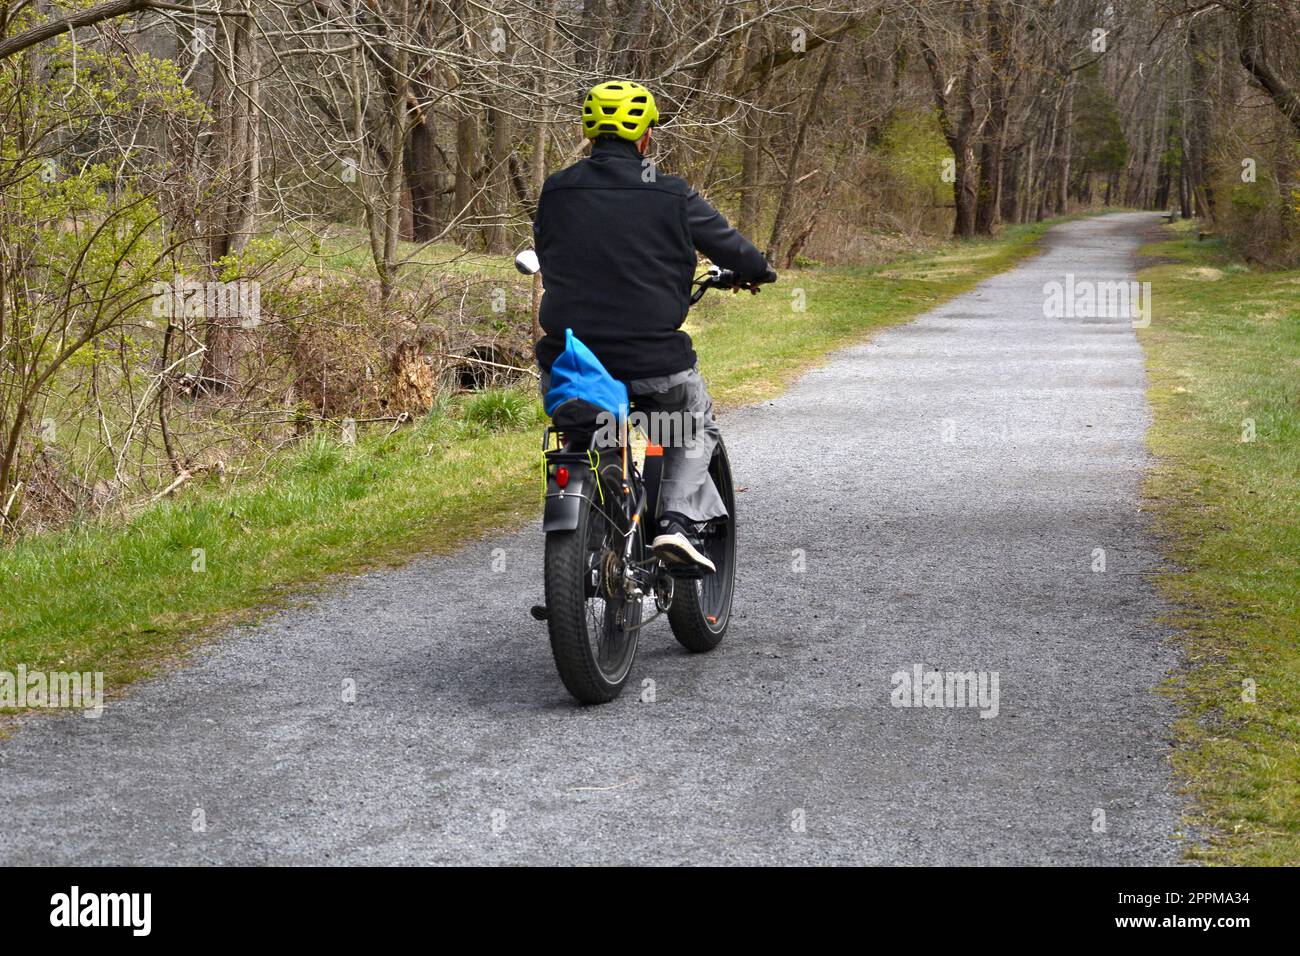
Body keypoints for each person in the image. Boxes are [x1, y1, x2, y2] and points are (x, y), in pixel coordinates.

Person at [533, 80, 776, 574]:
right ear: (645, 137)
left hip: (573, 364)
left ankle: (603, 498)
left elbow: (554, 250)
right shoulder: (670, 192)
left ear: (589, 131)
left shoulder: (556, 189)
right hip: (654, 366)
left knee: (592, 435)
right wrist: (757, 269)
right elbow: (732, 247)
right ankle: (677, 525)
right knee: (691, 423)